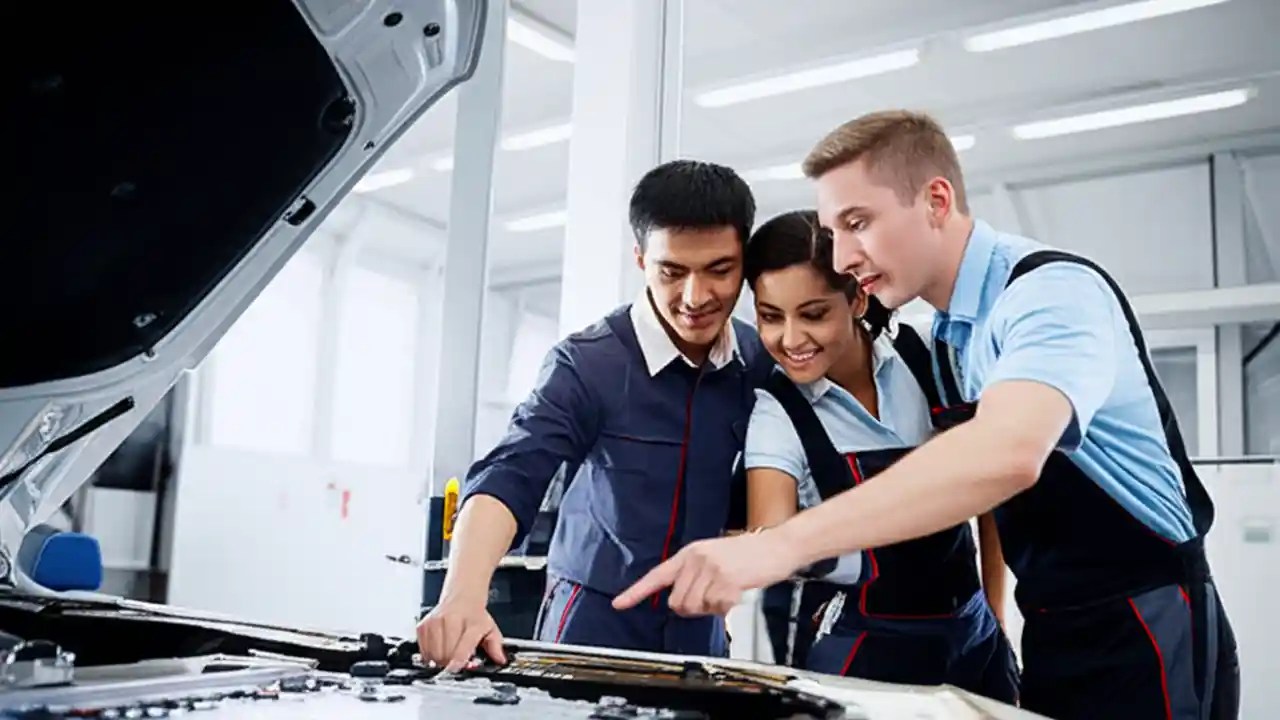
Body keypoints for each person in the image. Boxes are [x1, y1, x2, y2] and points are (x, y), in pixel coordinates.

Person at [615, 111, 1240, 719]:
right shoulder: (948, 338)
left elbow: (1007, 453)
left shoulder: (1050, 294)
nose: (842, 257)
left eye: (858, 223)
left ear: (937, 201)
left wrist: (782, 547)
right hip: (1053, 628)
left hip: (1148, 625)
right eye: (835, 232)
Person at [416, 159, 773, 672]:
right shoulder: (586, 364)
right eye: (672, 272)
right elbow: (510, 474)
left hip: (700, 628)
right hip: (592, 623)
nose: (696, 298)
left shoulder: (756, 360)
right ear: (640, 258)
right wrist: (462, 595)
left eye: (719, 270)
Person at [742, 210, 1017, 703]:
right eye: (770, 316)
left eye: (813, 313)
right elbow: (771, 534)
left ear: (858, 298)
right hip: (859, 649)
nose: (790, 339)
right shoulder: (776, 412)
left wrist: (995, 612)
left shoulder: (924, 358)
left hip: (973, 637)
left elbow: (990, 490)